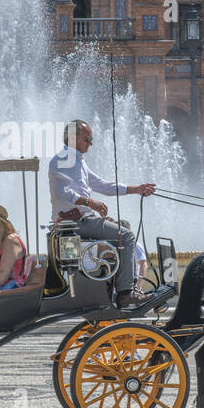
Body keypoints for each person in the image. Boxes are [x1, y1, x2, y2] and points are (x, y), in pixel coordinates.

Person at [48, 119, 156, 309]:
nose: (91, 142)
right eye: (87, 138)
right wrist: (90, 202)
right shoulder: (64, 159)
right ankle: (125, 293)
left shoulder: (76, 160)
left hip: (81, 218)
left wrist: (137, 189)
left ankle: (114, 285)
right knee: (127, 236)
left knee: (125, 227)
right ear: (73, 138)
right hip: (76, 221)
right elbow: (61, 192)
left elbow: (103, 185)